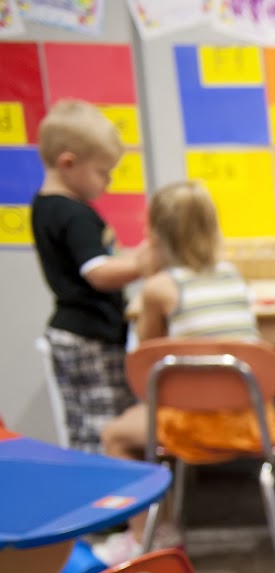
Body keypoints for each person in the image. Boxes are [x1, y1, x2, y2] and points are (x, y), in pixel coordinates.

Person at [94, 180, 275, 565]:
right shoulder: (233, 276)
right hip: (251, 423)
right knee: (148, 421)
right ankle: (164, 526)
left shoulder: (159, 288)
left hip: (194, 426)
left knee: (116, 435)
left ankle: (148, 535)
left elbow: (147, 363)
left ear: (157, 235)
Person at [30, 99, 151, 453]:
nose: (108, 183)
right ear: (68, 163)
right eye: (103, 172)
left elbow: (98, 260)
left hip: (86, 333)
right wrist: (146, 263)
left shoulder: (46, 205)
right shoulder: (74, 214)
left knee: (95, 424)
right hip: (88, 337)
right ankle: (111, 502)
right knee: (103, 429)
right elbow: (99, 273)